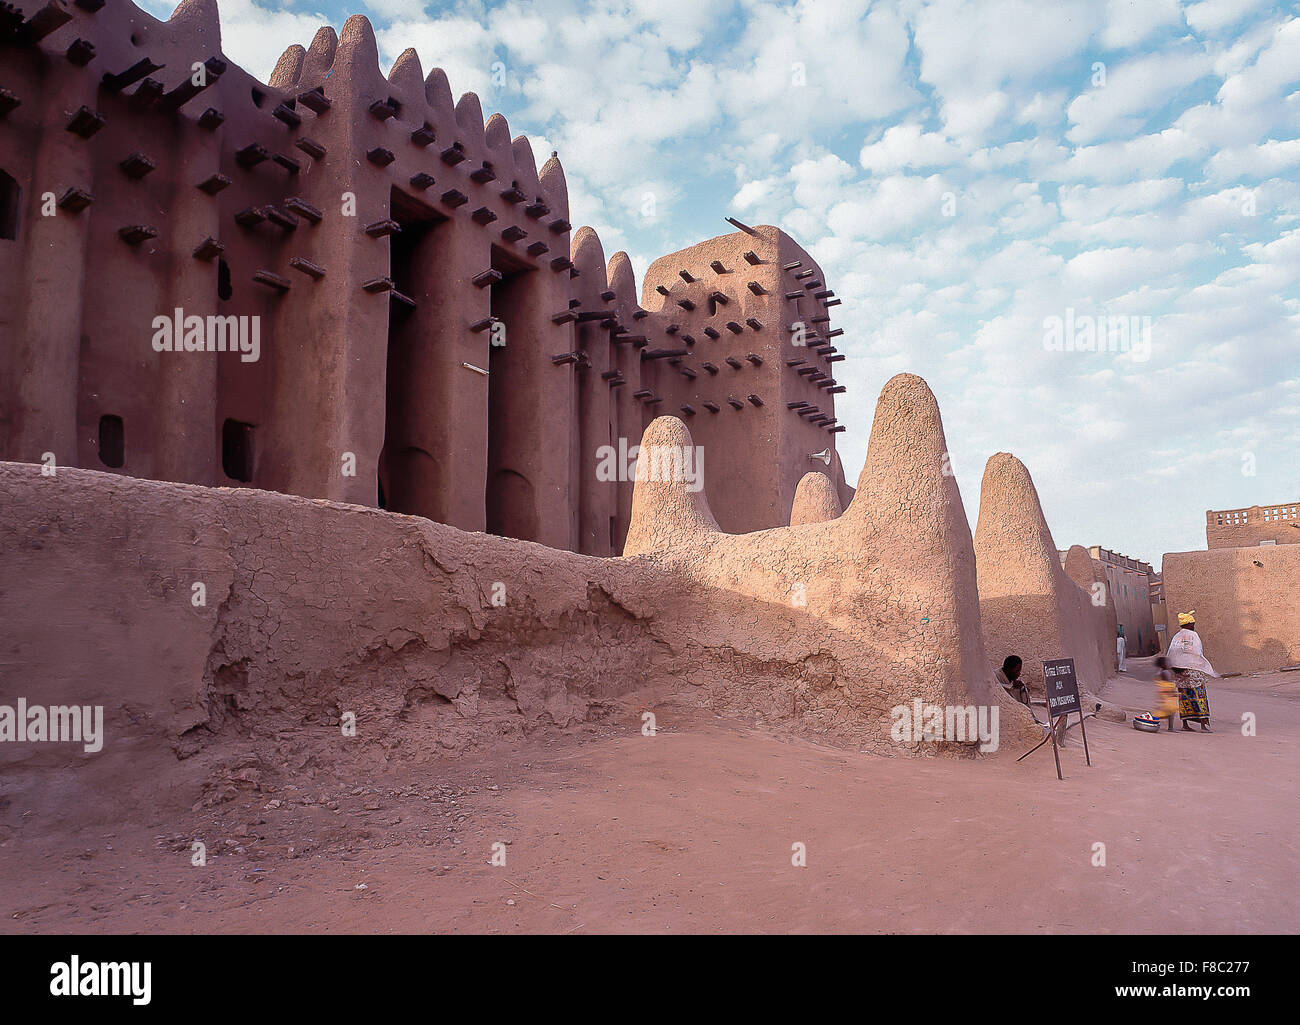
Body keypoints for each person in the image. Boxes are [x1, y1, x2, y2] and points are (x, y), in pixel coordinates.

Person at [996, 655, 1068, 745]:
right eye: (1016, 671)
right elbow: (998, 688)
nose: (1019, 674)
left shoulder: (1013, 677)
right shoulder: (996, 676)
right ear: (1008, 669)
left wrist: (1021, 687)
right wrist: (1012, 686)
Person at [1166, 611, 1215, 733]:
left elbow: (1172, 653)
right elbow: (1198, 652)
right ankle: (1203, 725)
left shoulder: (1176, 637)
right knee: (1200, 697)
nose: (1194, 626)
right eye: (1193, 624)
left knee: (1184, 699)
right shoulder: (1194, 636)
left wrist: (1175, 667)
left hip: (1180, 673)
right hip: (1194, 673)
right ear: (1188, 624)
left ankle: (1185, 724)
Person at [1152, 656, 1179, 731]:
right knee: (1168, 710)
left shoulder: (1160, 671)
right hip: (1168, 693)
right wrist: (1173, 692)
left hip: (1165, 693)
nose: (1169, 663)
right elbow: (1168, 683)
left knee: (1166, 710)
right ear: (1163, 664)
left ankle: (1153, 721)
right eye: (1167, 662)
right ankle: (1151, 720)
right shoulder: (1166, 672)